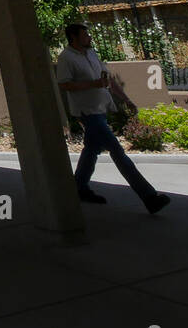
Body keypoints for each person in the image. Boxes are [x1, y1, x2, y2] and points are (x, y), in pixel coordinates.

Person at [55, 22, 170, 214]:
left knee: (91, 149)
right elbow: (65, 85)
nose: (89, 37)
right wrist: (93, 84)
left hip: (100, 109)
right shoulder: (66, 58)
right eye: (85, 35)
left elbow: (108, 80)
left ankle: (80, 187)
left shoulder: (91, 54)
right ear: (74, 38)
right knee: (117, 151)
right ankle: (149, 197)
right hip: (87, 112)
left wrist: (126, 100)